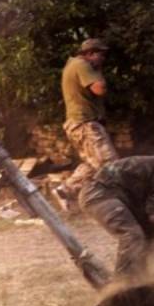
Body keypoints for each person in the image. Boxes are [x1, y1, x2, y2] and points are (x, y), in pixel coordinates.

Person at [57, 38, 119, 209]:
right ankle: (118, 201)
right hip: (85, 124)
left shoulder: (72, 65)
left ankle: (65, 190)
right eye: (101, 54)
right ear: (90, 53)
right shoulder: (83, 65)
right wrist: (98, 71)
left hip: (77, 124)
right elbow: (100, 89)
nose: (103, 58)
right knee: (110, 164)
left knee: (92, 165)